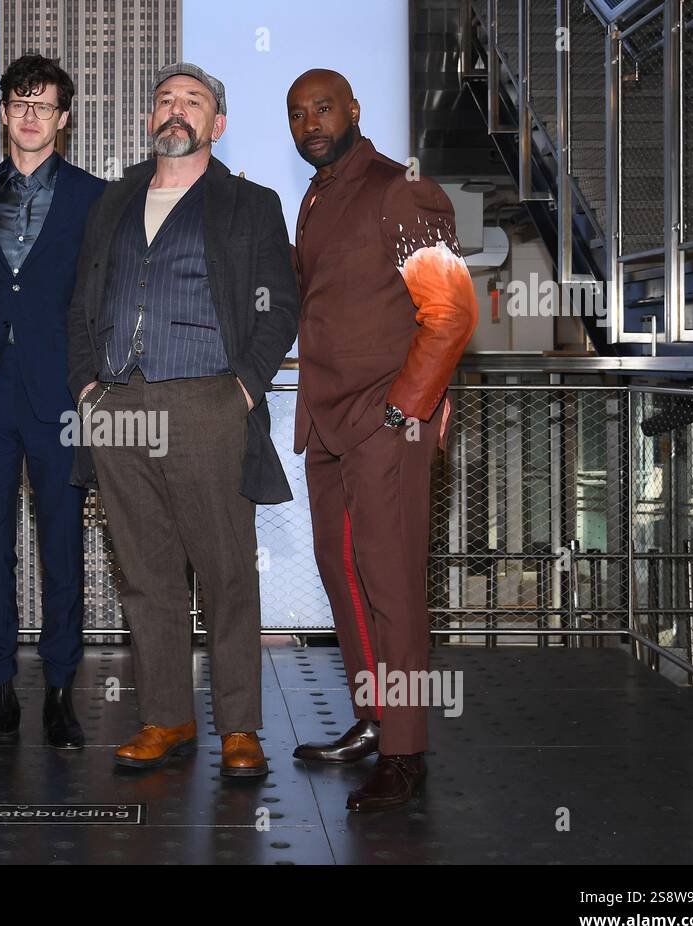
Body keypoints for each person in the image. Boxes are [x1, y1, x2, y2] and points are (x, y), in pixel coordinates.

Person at [67, 63, 299, 778]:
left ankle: (240, 728)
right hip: (116, 405)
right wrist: (84, 387)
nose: (177, 110)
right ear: (150, 119)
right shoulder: (112, 201)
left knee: (227, 572)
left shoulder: (250, 203)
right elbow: (82, 302)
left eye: (193, 101)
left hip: (208, 403)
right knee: (144, 573)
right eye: (165, 99)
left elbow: (279, 305)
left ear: (216, 124)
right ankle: (165, 716)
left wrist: (244, 390)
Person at [285, 69, 477, 809]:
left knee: (391, 584)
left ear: (355, 110)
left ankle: (405, 751)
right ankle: (374, 717)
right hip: (327, 421)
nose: (311, 122)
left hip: (385, 419)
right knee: (344, 576)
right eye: (298, 113)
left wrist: (407, 408)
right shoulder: (315, 197)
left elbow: (452, 311)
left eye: (324, 107)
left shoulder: (400, 190)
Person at [0, 55, 105, 750]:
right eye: (20, 103)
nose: (32, 116)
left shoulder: (95, 198)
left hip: (62, 394)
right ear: (4, 112)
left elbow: (103, 298)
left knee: (62, 547)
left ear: (64, 118)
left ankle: (62, 690)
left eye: (44, 105)